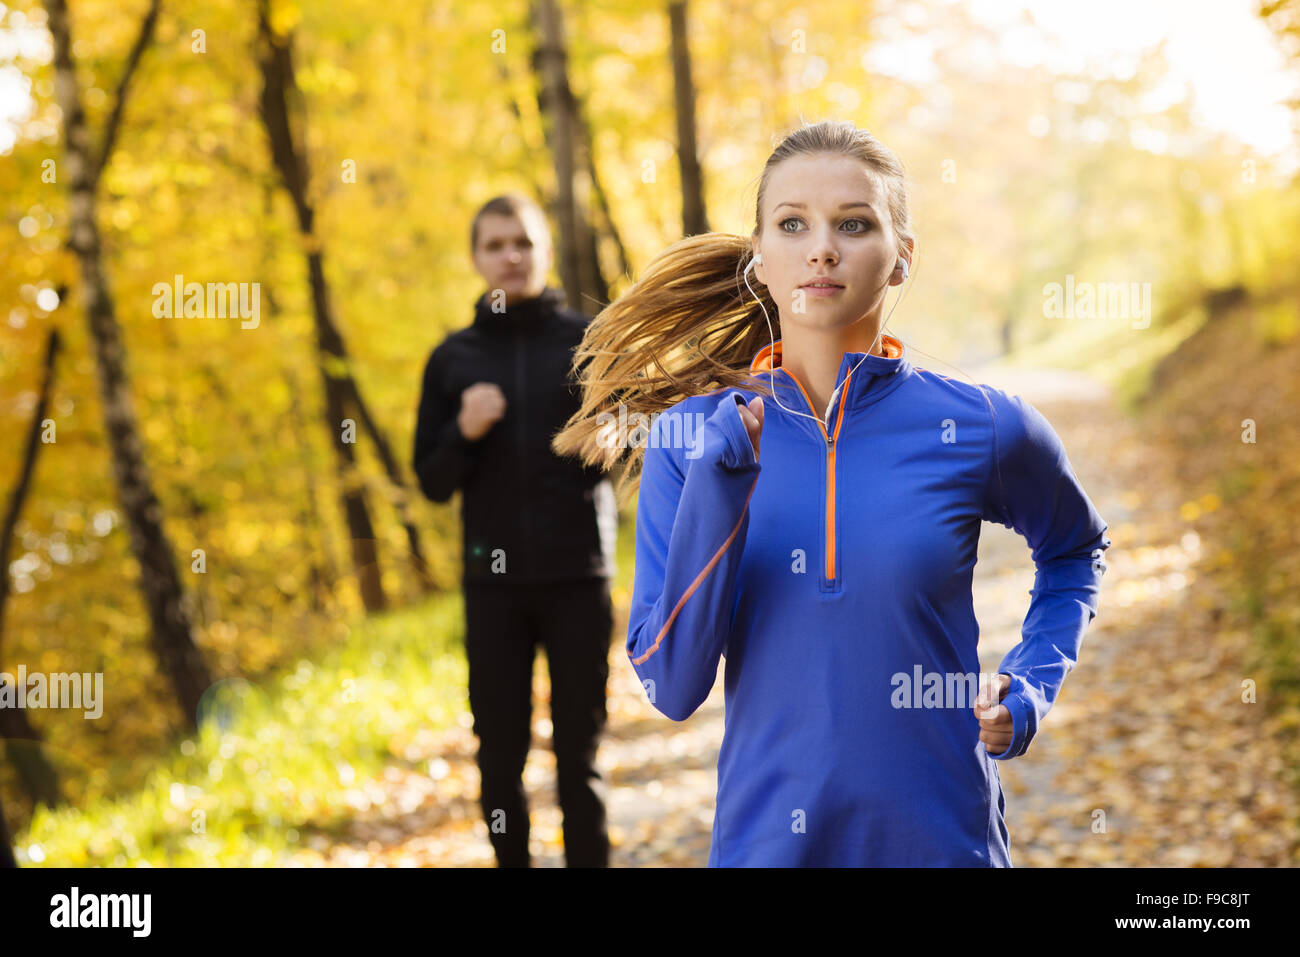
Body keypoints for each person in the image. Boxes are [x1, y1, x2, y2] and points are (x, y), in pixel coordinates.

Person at [551, 120, 1112, 866]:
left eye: (853, 224)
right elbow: (672, 682)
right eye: (793, 224)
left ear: (901, 256)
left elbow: (1076, 550)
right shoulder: (692, 440)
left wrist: (1030, 683)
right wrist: (720, 488)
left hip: (944, 843)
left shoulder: (981, 425)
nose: (821, 248)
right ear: (760, 258)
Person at [413, 193, 618, 867]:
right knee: (500, 756)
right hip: (492, 587)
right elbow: (432, 480)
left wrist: (613, 439)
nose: (511, 256)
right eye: (496, 244)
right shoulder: (452, 359)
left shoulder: (589, 342)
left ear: (545, 251)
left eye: (523, 242)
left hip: (578, 576)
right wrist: (463, 430)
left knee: (580, 757)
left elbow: (635, 448)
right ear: (476, 258)